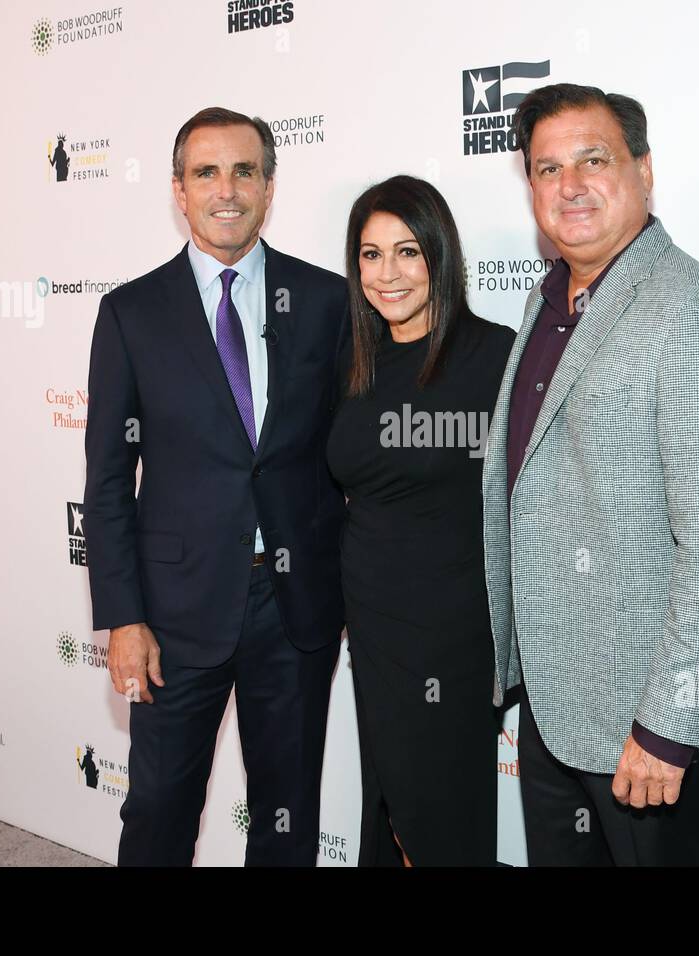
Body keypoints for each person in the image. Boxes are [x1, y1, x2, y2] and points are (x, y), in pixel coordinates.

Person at [482, 84, 699, 866]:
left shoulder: (688, 310)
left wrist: (668, 727)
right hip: (557, 713)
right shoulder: (547, 304)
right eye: (547, 168)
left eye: (593, 159)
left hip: (651, 735)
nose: (569, 184)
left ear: (643, 171)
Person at [83, 106, 349, 867]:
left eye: (244, 171)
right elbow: (106, 481)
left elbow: (343, 458)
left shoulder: (326, 301)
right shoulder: (130, 313)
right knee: (161, 811)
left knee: (287, 816)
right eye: (206, 172)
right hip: (173, 612)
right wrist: (123, 616)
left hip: (293, 605)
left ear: (269, 187)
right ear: (178, 189)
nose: (225, 190)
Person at [327, 175, 514, 865]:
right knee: (391, 805)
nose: (388, 273)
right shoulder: (352, 362)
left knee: (439, 819)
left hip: (453, 633)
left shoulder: (496, 357)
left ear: (439, 253)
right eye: (370, 255)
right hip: (372, 624)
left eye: (407, 251)